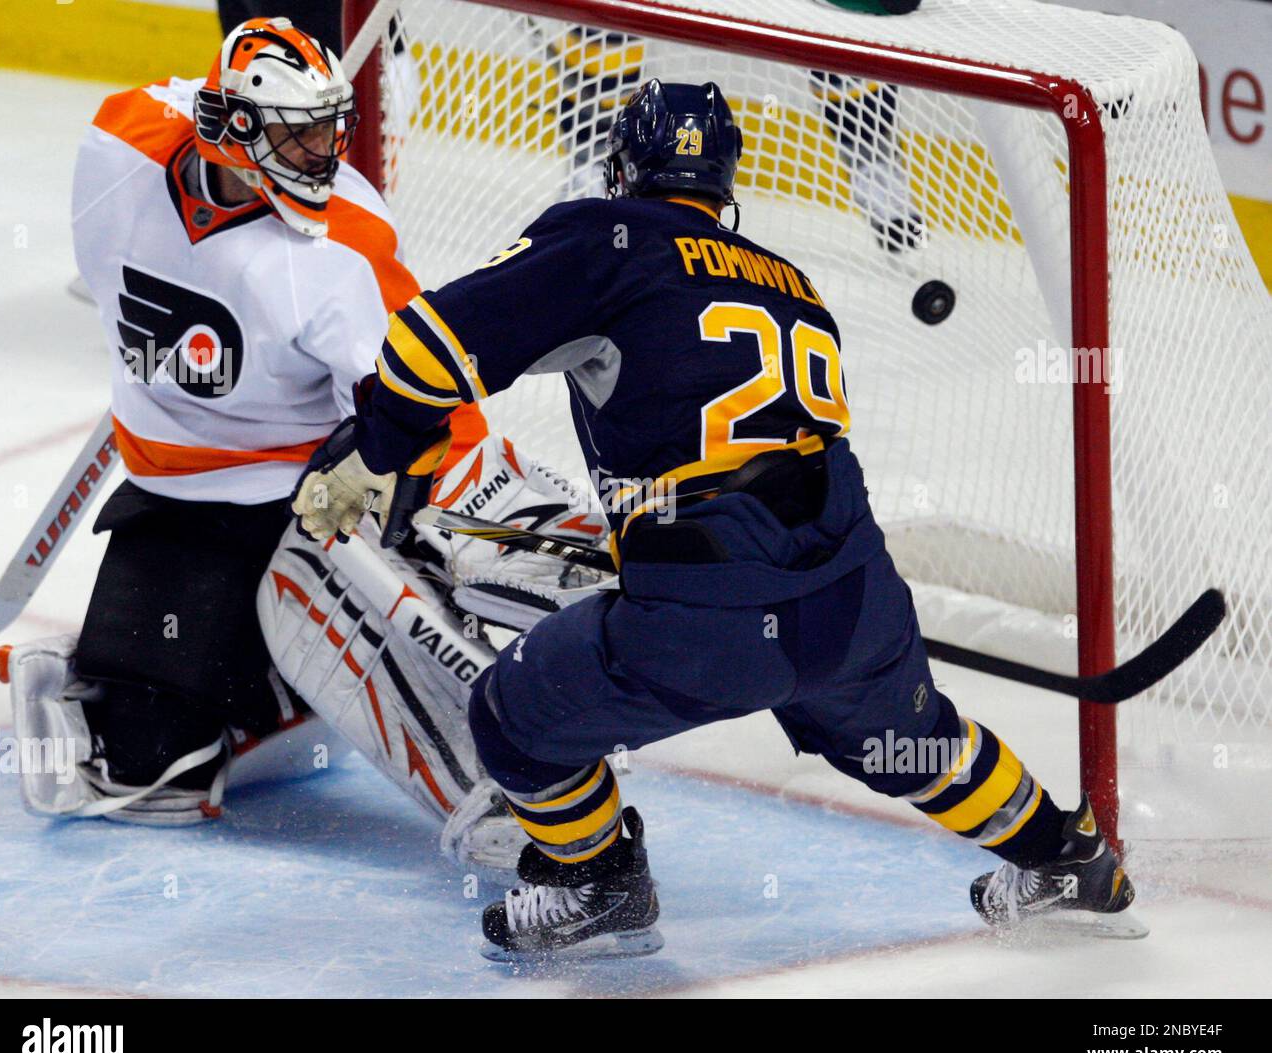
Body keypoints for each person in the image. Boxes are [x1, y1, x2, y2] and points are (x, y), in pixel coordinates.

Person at [291, 79, 1140, 961]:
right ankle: (1064, 860)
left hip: (708, 611)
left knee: (513, 718)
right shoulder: (795, 282)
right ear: (725, 178)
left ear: (623, 170)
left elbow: (430, 345)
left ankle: (599, 881)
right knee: (913, 742)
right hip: (850, 588)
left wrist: (377, 450)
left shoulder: (605, 239)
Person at [5, 17, 493, 827]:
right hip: (169, 493)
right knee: (148, 762)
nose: (323, 156)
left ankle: (310, 669)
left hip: (296, 507)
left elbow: (429, 401)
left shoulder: (342, 241)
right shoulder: (116, 147)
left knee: (192, 741)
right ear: (230, 130)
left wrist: (429, 538)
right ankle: (257, 672)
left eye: (327, 131)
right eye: (297, 136)